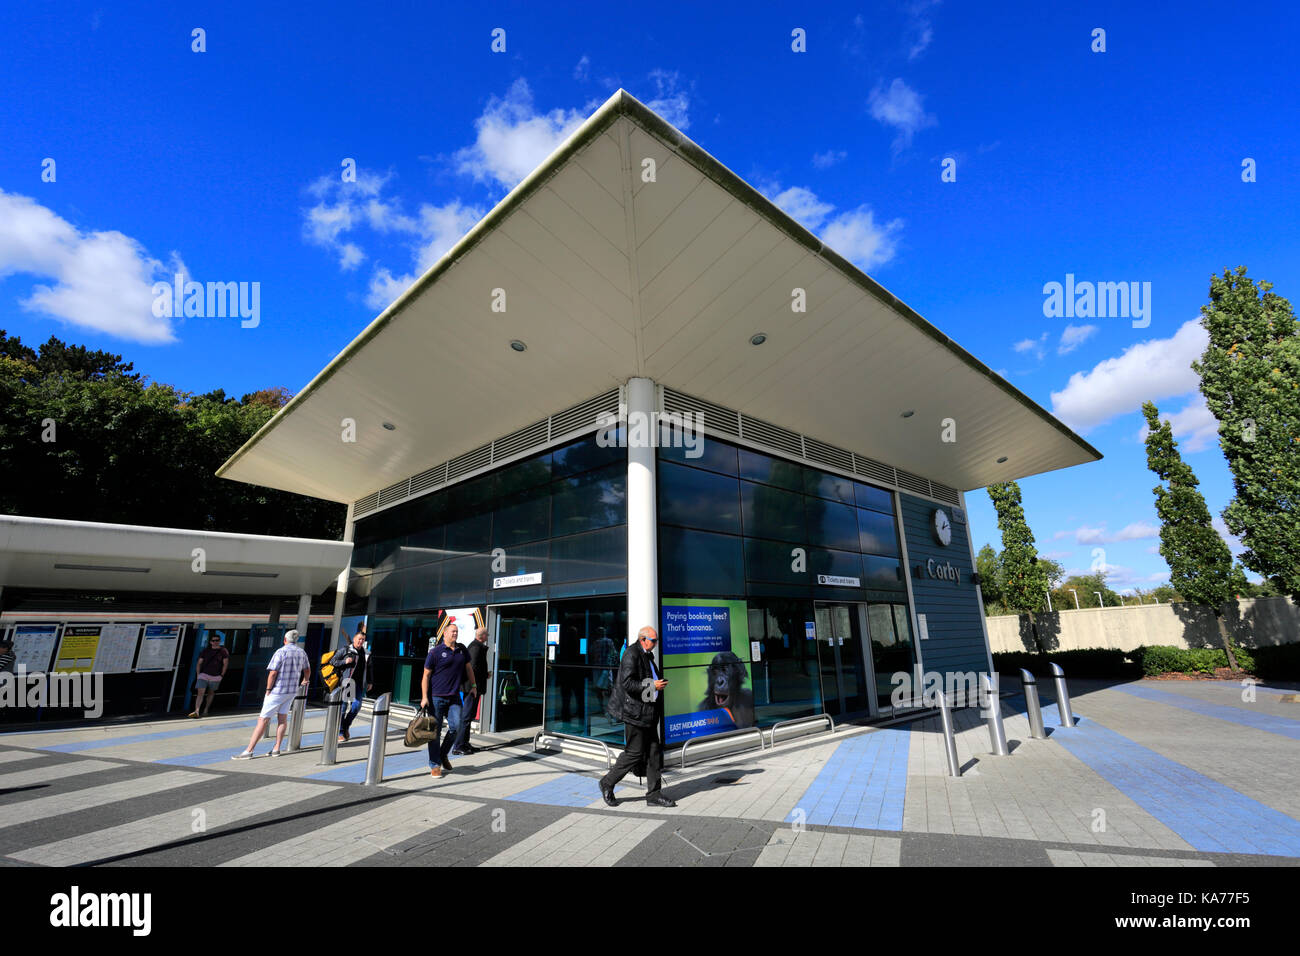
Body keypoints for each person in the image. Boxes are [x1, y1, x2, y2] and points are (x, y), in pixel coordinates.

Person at [599, 626, 676, 808]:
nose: (656, 644)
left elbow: (646, 678)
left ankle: (654, 794)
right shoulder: (631, 654)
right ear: (643, 639)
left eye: (656, 641)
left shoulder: (647, 654)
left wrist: (657, 684)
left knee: (653, 754)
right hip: (635, 714)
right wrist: (652, 685)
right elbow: (627, 683)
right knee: (633, 754)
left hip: (647, 713)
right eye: (653, 641)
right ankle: (607, 783)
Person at [231, 629, 310, 759]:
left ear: (285, 640)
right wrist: (305, 680)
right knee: (282, 718)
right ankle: (276, 748)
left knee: (263, 719)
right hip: (291, 691)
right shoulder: (302, 652)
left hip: (277, 691)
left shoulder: (281, 652)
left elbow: (273, 673)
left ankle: (249, 751)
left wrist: (268, 689)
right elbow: (307, 669)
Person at [421, 622, 477, 779]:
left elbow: (468, 668)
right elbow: (425, 676)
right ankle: (435, 764)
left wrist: (473, 685)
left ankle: (442, 754)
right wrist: (425, 697)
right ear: (444, 634)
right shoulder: (435, 652)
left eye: (457, 632)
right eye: (452, 631)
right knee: (435, 733)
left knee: (457, 727)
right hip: (436, 697)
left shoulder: (462, 650)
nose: (455, 634)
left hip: (454, 697)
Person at [451, 626, 489, 755]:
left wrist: (484, 674)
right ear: (482, 636)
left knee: (469, 716)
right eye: (486, 635)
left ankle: (465, 744)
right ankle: (458, 745)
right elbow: (470, 669)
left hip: (473, 687)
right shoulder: (475, 648)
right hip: (471, 688)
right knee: (466, 717)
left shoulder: (476, 647)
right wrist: (474, 686)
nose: (487, 637)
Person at [333, 628, 373, 743]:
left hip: (359, 684)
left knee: (357, 706)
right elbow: (333, 661)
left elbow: (370, 668)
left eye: (363, 639)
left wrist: (370, 682)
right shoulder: (346, 650)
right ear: (354, 639)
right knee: (343, 708)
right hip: (348, 682)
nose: (361, 641)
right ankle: (340, 732)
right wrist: (344, 662)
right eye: (359, 639)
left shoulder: (366, 653)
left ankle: (346, 725)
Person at [189, 633, 229, 718]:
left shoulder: (223, 651)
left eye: (217, 640)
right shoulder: (205, 651)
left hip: (216, 676)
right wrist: (198, 675)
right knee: (200, 693)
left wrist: (221, 675)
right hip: (203, 675)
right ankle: (197, 711)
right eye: (213, 641)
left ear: (220, 641)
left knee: (211, 692)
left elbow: (225, 664)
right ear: (210, 642)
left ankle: (206, 709)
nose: (215, 642)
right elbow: (199, 663)